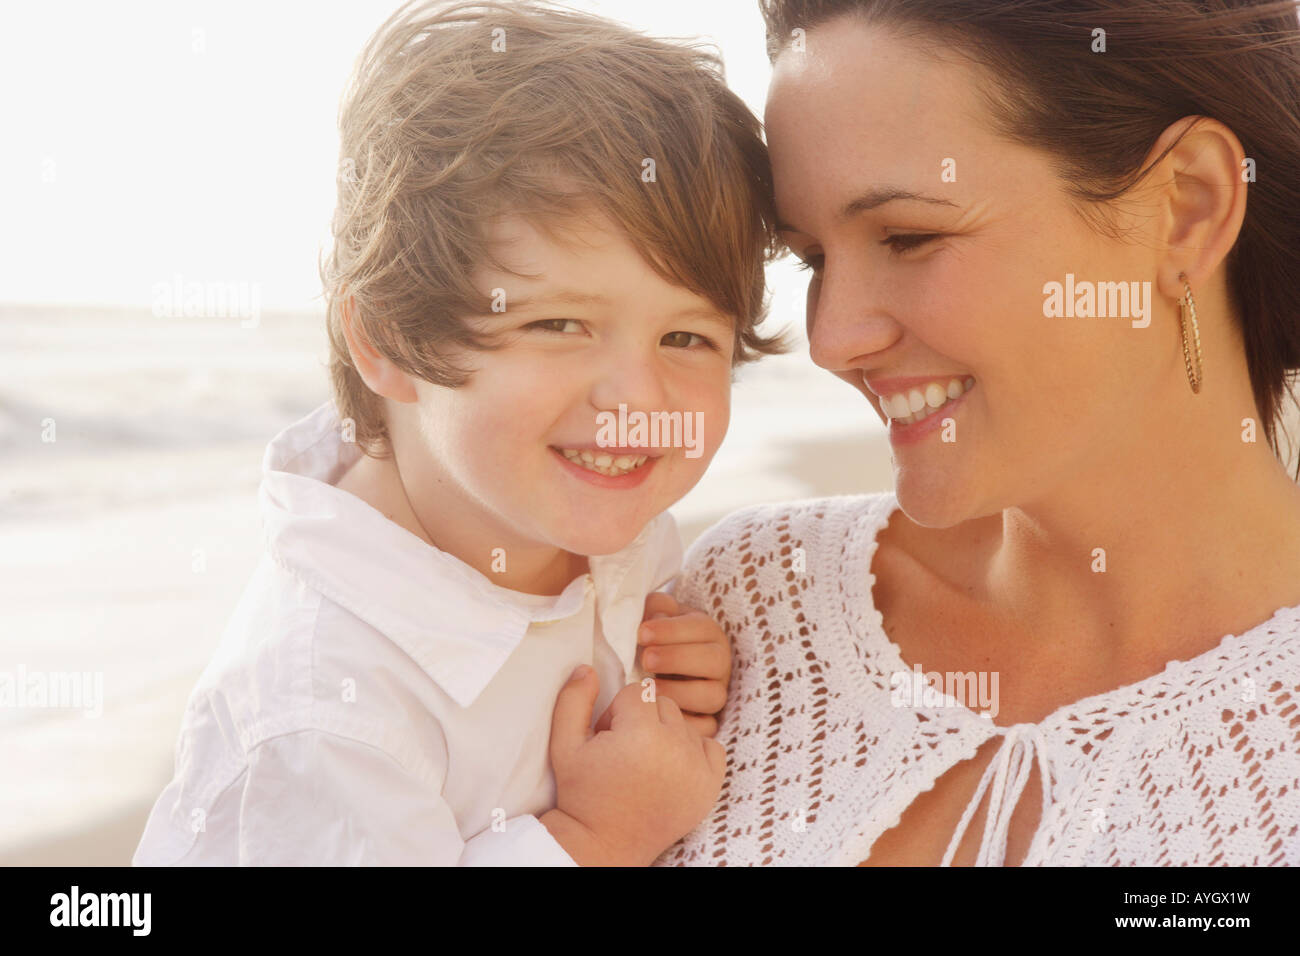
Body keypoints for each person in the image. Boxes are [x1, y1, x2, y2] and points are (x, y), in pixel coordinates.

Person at [132, 0, 790, 867]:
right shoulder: (321, 713)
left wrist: (670, 671)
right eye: (558, 324)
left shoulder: (592, 522)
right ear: (388, 342)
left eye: (687, 338)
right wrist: (598, 836)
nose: (637, 399)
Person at [658, 0, 1300, 866]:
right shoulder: (743, 611)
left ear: (1187, 207)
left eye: (910, 236)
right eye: (811, 260)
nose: (832, 339)